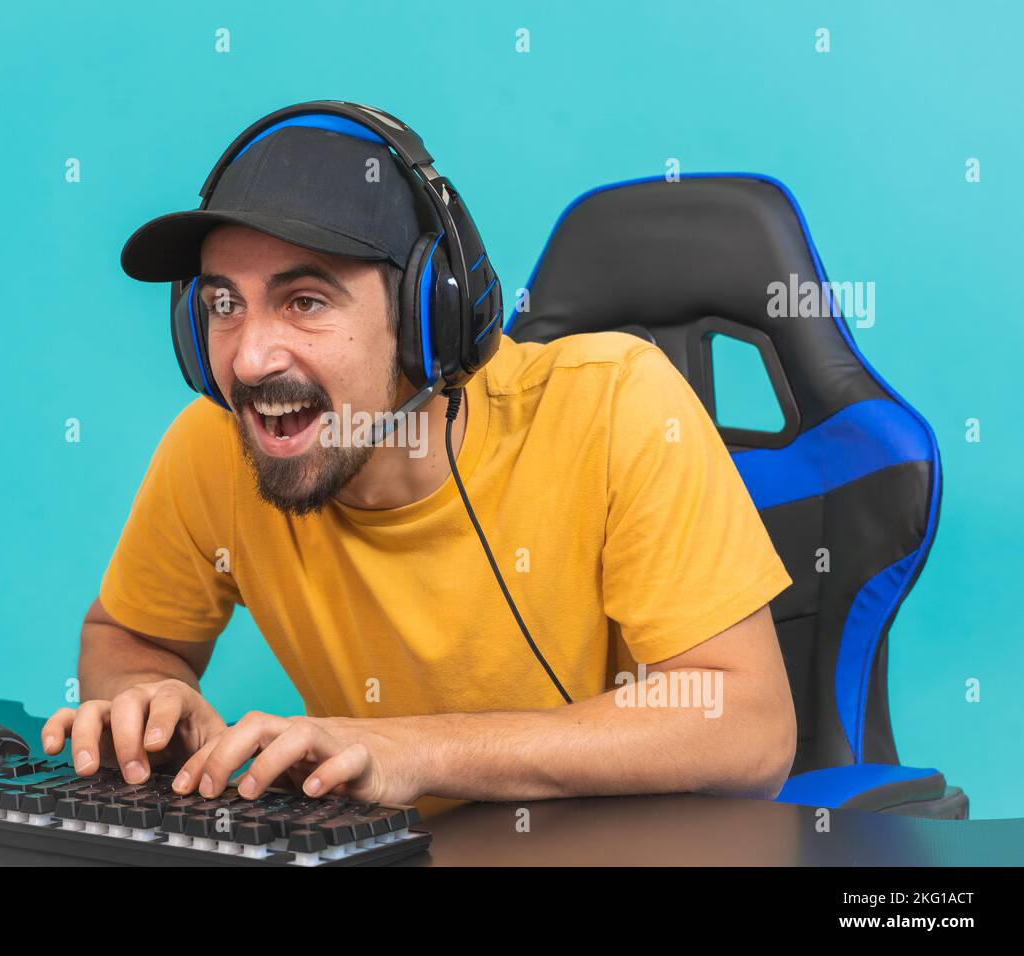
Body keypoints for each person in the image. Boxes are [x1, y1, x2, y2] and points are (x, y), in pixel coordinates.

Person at [41, 104, 796, 815]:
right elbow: (126, 637)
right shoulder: (217, 449)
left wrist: (414, 750)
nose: (249, 359)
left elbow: (750, 724)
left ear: (426, 316)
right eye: (223, 305)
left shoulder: (614, 404)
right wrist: (147, 695)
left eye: (304, 300)